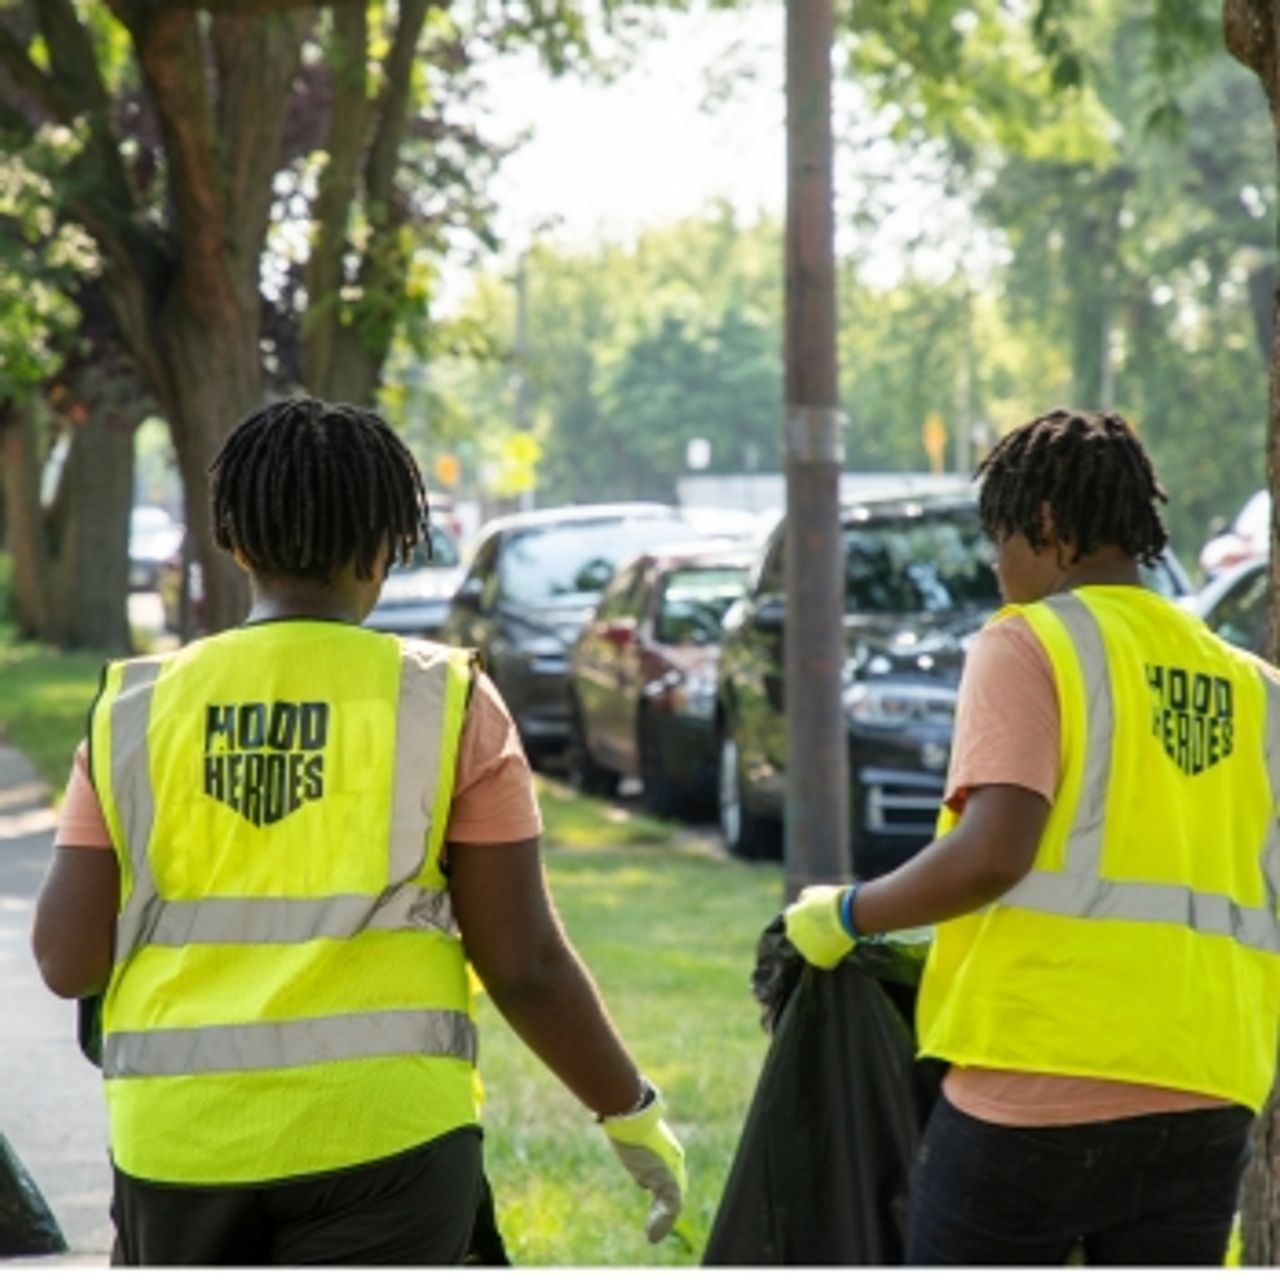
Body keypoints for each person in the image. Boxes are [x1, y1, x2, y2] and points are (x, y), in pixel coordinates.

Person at [31, 397, 687, 1266]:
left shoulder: (134, 710)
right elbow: (523, 963)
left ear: (233, 540)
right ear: (389, 544)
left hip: (177, 1146)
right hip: (390, 1141)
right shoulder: (445, 702)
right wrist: (629, 1111)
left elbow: (65, 961)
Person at [784, 408, 1280, 1266]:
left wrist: (850, 913)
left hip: (1041, 1078)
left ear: (1046, 528)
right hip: (1211, 1084)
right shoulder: (1254, 686)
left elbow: (992, 854)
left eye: (1000, 540)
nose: (995, 567)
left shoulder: (1031, 642)